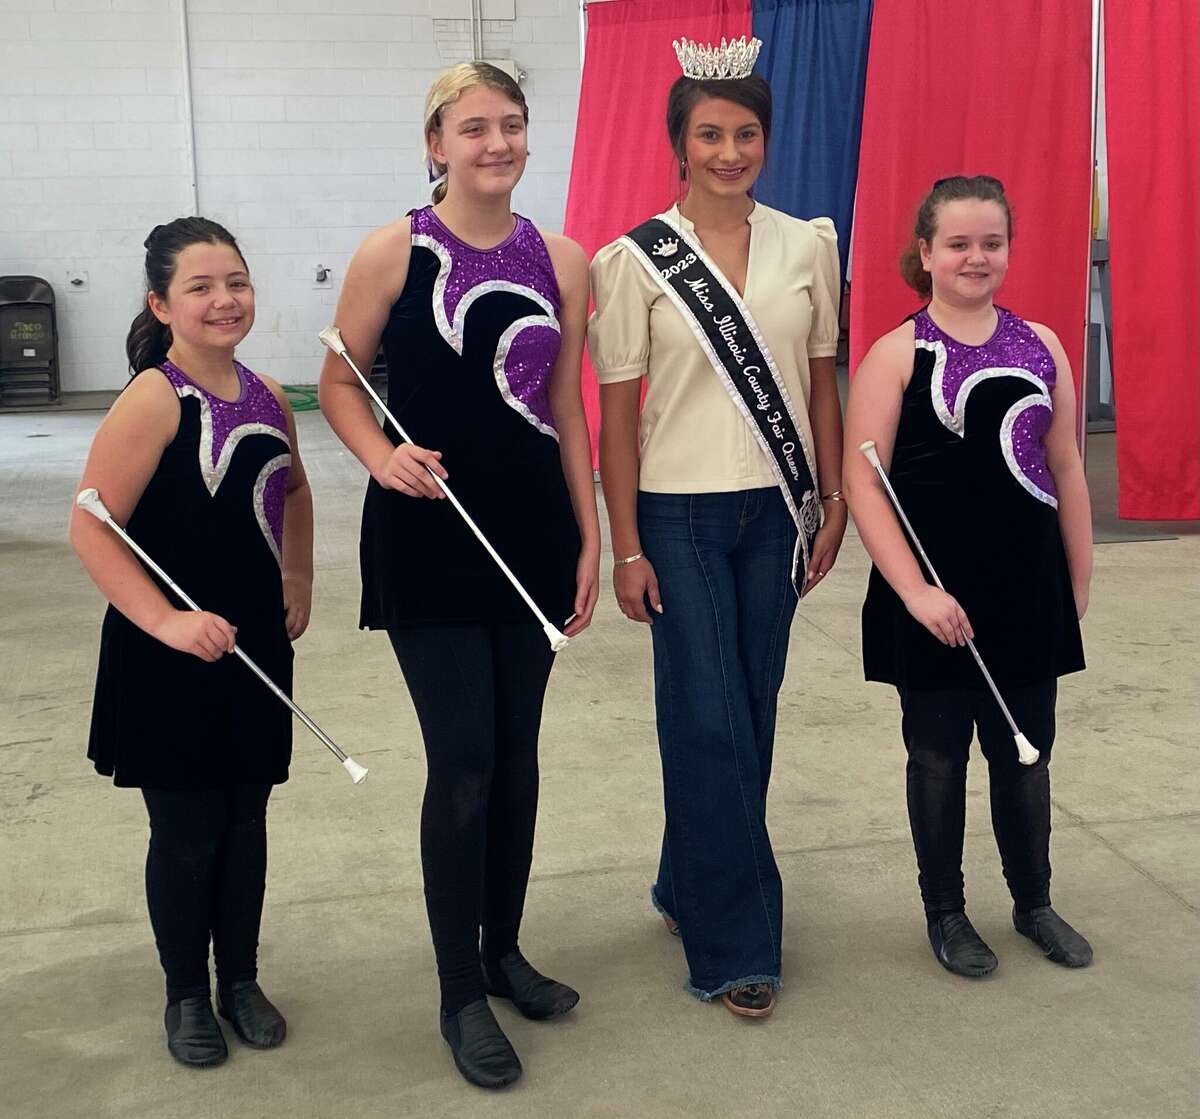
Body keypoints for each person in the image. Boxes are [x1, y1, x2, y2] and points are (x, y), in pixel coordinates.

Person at [318, 62, 600, 1089]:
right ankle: (459, 994)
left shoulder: (563, 260)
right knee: (467, 761)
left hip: (532, 534)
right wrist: (378, 454)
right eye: (474, 127)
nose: (497, 143)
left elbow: (565, 405)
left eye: (511, 124)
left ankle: (502, 950)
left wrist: (589, 534)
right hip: (429, 535)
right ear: (436, 142)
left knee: (517, 759)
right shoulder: (393, 250)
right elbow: (339, 380)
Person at [587, 36, 846, 1019]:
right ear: (679, 145)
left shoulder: (807, 246)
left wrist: (834, 500)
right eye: (709, 135)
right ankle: (736, 940)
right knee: (709, 713)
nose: (729, 152)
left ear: (765, 142)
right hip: (678, 515)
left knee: (751, 708)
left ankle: (682, 876)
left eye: (745, 134)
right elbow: (616, 415)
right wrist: (626, 544)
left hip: (779, 513)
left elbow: (821, 383)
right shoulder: (633, 262)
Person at [69, 217, 314, 1066]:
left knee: (246, 818)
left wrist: (297, 574)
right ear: (161, 305)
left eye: (236, 282)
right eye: (201, 287)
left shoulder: (270, 394)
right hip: (165, 653)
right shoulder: (152, 397)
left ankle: (240, 978)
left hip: (253, 645)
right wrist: (168, 621)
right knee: (186, 829)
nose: (224, 300)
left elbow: (294, 490)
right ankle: (185, 992)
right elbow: (91, 525)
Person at [843, 175, 1094, 977]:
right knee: (938, 754)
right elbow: (862, 482)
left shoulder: (1043, 344)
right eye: (957, 243)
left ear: (1009, 249)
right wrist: (916, 592)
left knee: (1027, 753)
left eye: (991, 242)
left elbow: (1067, 468)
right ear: (925, 252)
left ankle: (1034, 900)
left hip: (1026, 589)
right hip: (935, 597)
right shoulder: (897, 354)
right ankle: (945, 911)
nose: (975, 257)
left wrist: (1076, 581)